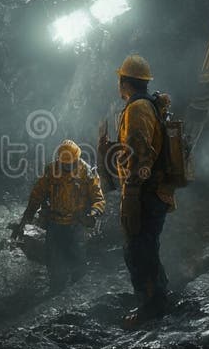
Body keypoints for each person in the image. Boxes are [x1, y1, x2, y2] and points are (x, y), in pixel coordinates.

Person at [100, 54, 176, 329]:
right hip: (151, 190)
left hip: (144, 193)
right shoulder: (147, 106)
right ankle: (159, 300)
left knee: (137, 251)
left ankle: (150, 311)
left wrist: (131, 192)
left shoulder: (137, 109)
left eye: (119, 81)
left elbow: (141, 152)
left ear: (124, 82)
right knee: (147, 248)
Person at [14, 140, 104, 292]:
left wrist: (93, 213)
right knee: (54, 259)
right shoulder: (52, 171)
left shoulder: (87, 172)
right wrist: (25, 219)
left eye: (71, 164)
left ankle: (77, 292)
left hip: (76, 223)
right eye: (65, 164)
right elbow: (37, 195)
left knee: (78, 258)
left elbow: (98, 198)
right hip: (55, 223)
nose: (68, 167)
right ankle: (57, 288)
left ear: (77, 159)